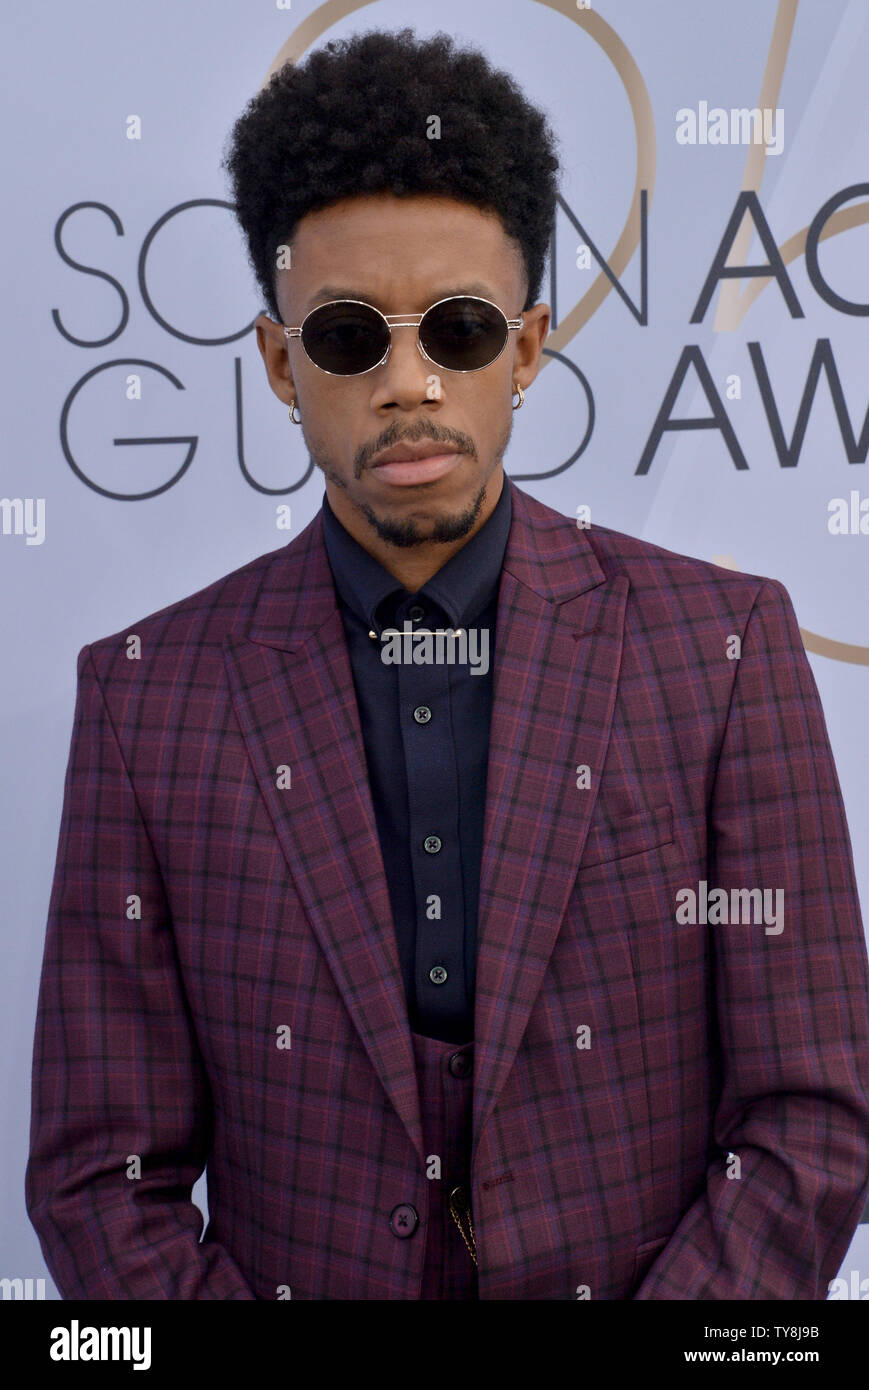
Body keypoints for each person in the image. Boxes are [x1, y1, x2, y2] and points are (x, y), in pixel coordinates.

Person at [26, 27, 869, 1300]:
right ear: (278, 363)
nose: (409, 384)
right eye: (350, 337)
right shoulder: (147, 695)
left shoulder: (725, 650)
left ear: (525, 349)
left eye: (459, 331)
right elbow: (99, 1180)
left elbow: (810, 1118)